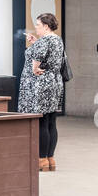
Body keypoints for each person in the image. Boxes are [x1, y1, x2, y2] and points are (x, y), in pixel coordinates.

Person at [17, 12, 65, 172]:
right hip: (54, 82)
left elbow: (38, 58)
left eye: (38, 25)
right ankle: (50, 159)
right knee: (51, 120)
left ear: (45, 26)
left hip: (42, 84)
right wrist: (35, 42)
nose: (36, 27)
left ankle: (41, 160)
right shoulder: (57, 39)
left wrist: (35, 67)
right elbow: (49, 55)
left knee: (42, 122)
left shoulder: (45, 41)